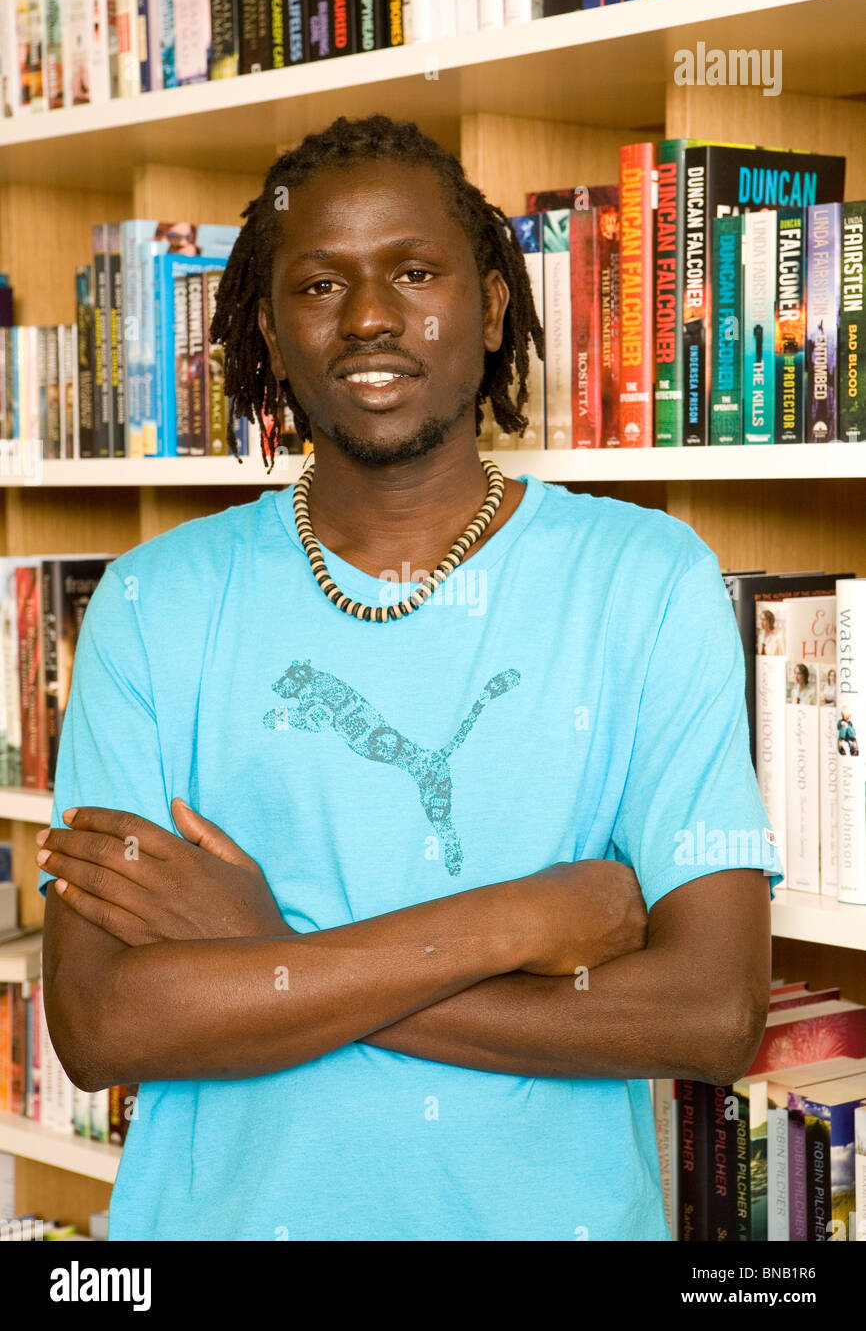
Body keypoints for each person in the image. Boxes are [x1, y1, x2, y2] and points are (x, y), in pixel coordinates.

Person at [36, 115, 780, 1243]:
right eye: (319, 285)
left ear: (492, 308)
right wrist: (517, 919)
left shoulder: (646, 578)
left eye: (416, 272)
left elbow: (710, 1012)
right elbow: (99, 1024)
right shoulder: (152, 603)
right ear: (270, 331)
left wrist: (267, 960)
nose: (370, 317)